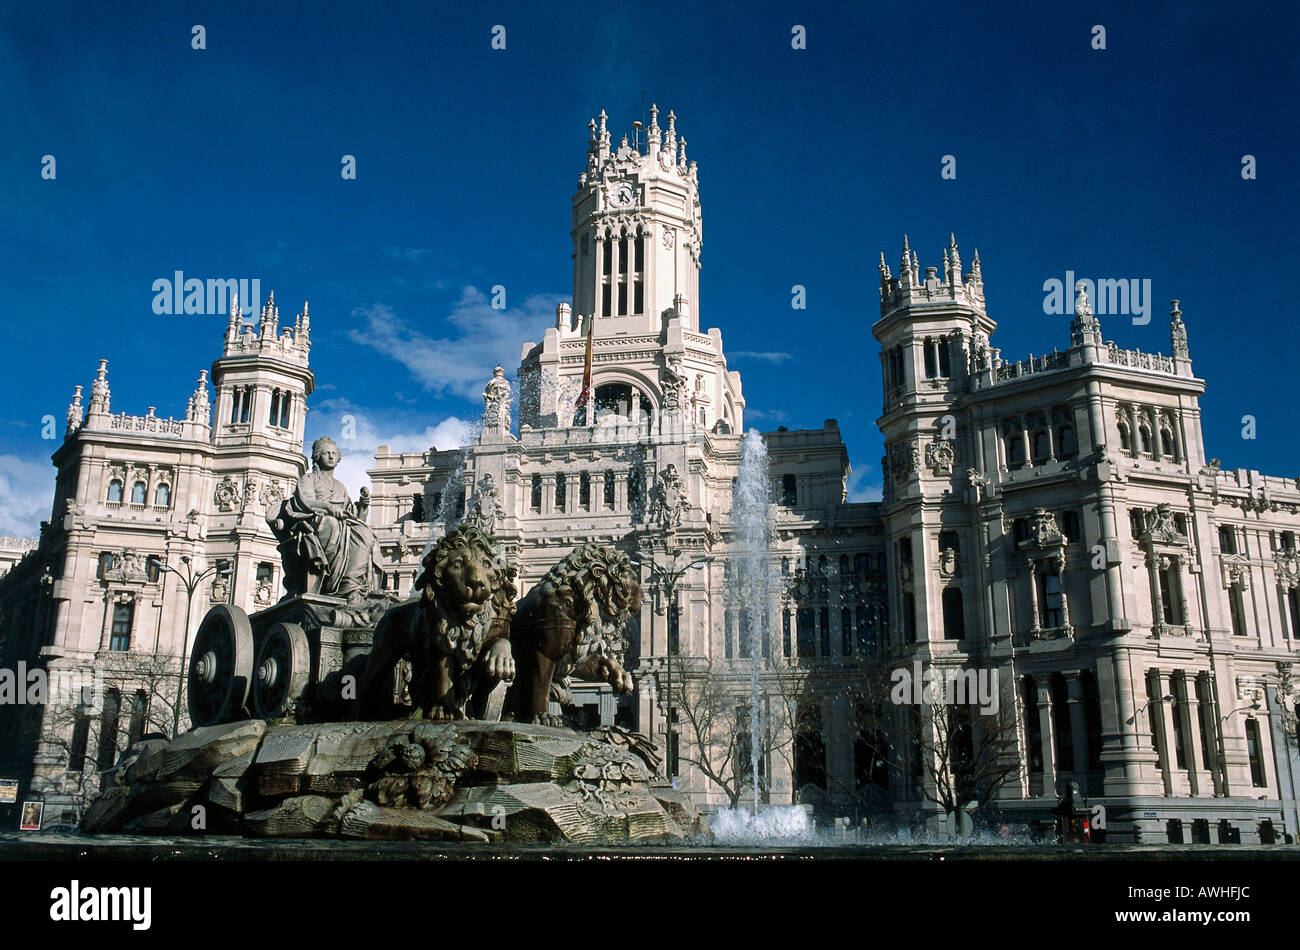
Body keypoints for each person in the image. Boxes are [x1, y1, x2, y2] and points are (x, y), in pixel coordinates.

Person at [268, 437, 377, 600]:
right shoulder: (308, 479)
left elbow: (353, 515)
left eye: (334, 453)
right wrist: (329, 508)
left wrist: (363, 505)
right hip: (314, 522)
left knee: (365, 534)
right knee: (331, 524)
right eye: (327, 453)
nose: (331, 457)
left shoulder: (340, 486)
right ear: (318, 456)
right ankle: (329, 583)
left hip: (342, 525)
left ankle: (350, 585)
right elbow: (305, 503)